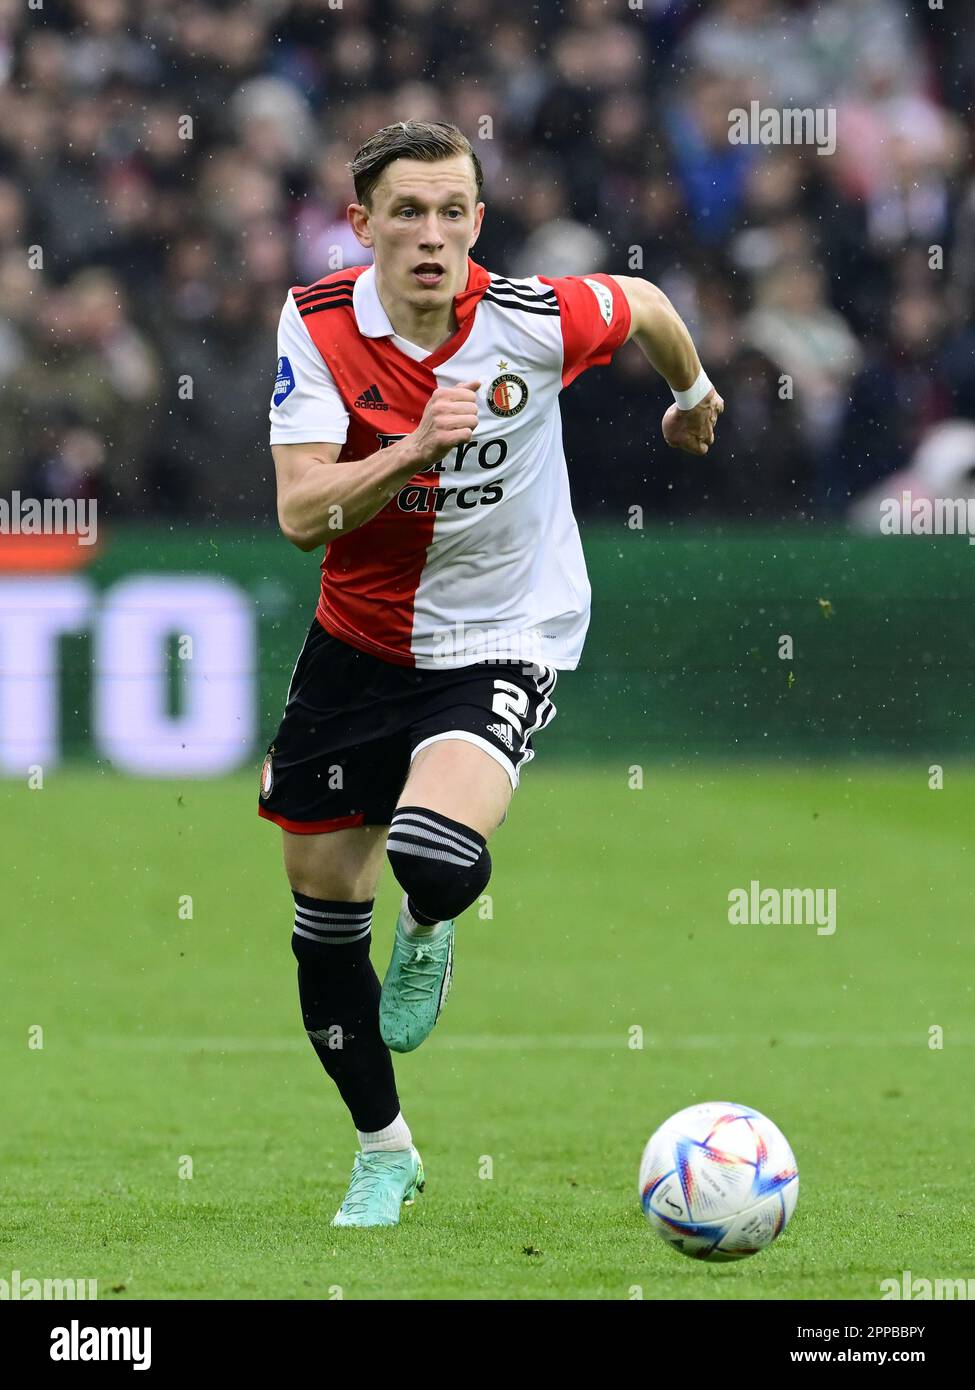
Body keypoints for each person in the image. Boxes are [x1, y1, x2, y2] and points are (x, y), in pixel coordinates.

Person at [260, 119, 723, 1227]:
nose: (431, 234)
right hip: (357, 645)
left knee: (431, 850)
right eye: (406, 213)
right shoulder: (316, 323)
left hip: (505, 631)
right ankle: (384, 1151)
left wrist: (693, 393)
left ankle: (429, 925)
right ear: (361, 222)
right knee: (323, 919)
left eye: (451, 212)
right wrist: (414, 448)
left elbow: (645, 304)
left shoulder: (532, 318)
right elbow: (301, 513)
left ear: (478, 220)